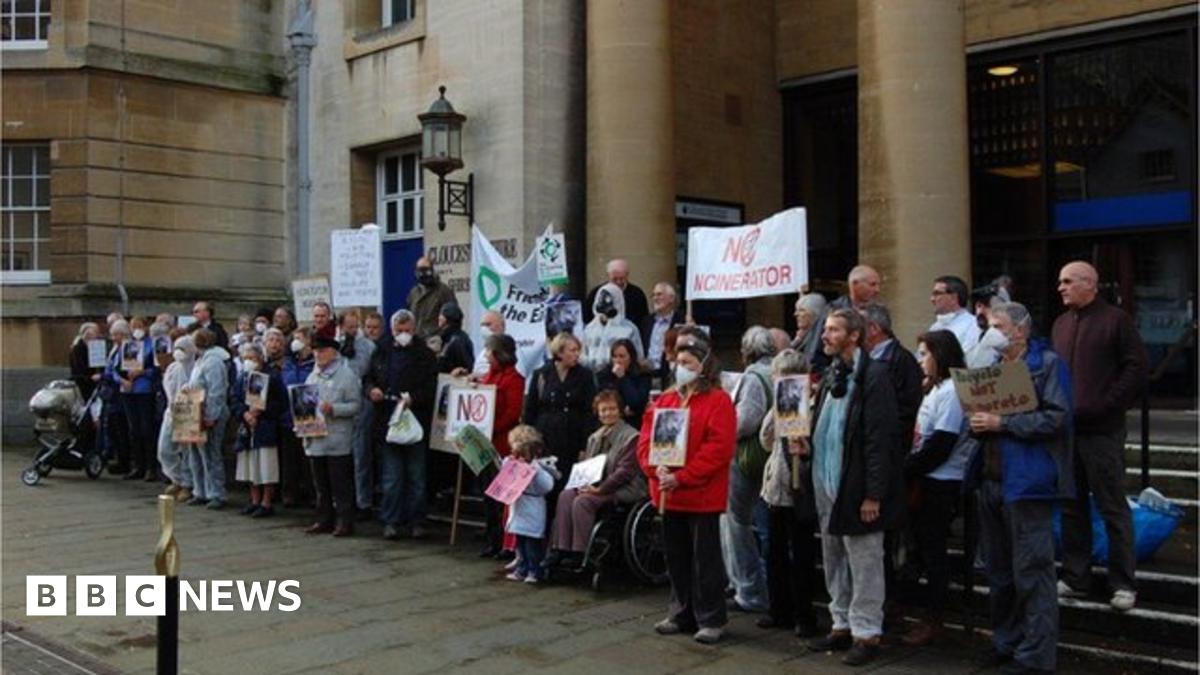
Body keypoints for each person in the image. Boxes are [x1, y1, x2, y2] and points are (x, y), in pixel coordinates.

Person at [963, 301, 1073, 674]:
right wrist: (977, 422)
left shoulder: (1046, 365)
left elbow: (1057, 418)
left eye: (997, 325)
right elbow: (978, 418)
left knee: (1033, 570)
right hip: (991, 480)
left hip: (1027, 482)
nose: (990, 331)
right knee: (999, 572)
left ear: (1020, 331)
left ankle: (1037, 656)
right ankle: (1006, 641)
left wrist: (1004, 423)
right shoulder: (993, 368)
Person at [806, 308, 901, 667]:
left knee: (864, 562)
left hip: (856, 485)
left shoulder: (874, 376)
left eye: (833, 330)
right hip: (826, 482)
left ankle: (867, 631)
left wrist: (873, 493)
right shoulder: (834, 373)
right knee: (834, 558)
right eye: (825, 329)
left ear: (854, 336)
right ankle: (841, 621)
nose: (825, 336)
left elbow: (880, 439)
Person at [1053, 261, 1148, 612]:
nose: (1060, 288)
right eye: (1059, 282)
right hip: (1068, 431)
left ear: (1089, 284)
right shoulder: (1061, 324)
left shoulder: (1115, 320)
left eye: (1067, 281)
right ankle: (1077, 577)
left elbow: (1136, 368)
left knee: (1112, 505)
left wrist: (1105, 405)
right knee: (1071, 505)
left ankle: (1123, 581)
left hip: (1102, 431)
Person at [639, 330, 736, 645]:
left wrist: (683, 477)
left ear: (703, 365)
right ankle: (681, 611)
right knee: (676, 557)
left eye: (687, 361)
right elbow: (645, 442)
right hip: (669, 494)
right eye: (678, 361)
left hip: (701, 495)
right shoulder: (665, 399)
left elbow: (718, 449)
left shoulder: (718, 400)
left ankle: (711, 617)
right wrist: (656, 471)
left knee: (705, 559)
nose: (680, 366)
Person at [900, 330, 971, 647]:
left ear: (940, 355)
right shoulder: (935, 389)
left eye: (925, 353)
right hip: (926, 478)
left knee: (933, 551)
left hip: (941, 481)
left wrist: (906, 469)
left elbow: (942, 443)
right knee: (921, 549)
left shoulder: (953, 391)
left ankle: (935, 617)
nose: (919, 360)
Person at [756, 348, 819, 638]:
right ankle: (778, 608)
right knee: (773, 551)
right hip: (775, 487)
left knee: (801, 554)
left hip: (800, 489)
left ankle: (804, 614)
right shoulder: (781, 402)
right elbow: (766, 439)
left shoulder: (813, 401)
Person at [546, 390, 646, 568]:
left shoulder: (632, 437)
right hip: (597, 486)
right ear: (598, 413)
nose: (608, 413)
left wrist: (600, 489)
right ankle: (560, 548)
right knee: (566, 495)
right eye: (604, 410)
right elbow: (587, 466)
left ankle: (580, 552)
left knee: (583, 501)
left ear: (620, 410)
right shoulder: (594, 437)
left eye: (612, 409)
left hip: (624, 488)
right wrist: (581, 484)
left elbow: (625, 472)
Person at [365, 310, 437, 540]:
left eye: (407, 331)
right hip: (388, 421)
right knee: (392, 477)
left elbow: (432, 387)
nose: (403, 335)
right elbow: (368, 379)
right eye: (399, 331)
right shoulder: (382, 351)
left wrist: (413, 399)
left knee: (416, 476)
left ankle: (417, 520)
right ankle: (391, 520)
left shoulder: (424, 354)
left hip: (415, 421)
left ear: (414, 330)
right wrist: (371, 391)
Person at [722, 326, 776, 614]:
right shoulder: (775, 371)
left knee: (739, 525)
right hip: (768, 459)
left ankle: (750, 590)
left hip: (747, 459)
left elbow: (744, 422)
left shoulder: (754, 377)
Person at [302, 325, 363, 537]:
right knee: (321, 485)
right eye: (315, 351)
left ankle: (345, 521)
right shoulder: (312, 376)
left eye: (322, 351)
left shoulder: (346, 375)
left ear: (333, 352)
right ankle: (324, 519)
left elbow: (356, 406)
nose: (318, 354)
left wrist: (334, 409)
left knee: (341, 484)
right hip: (316, 438)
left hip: (338, 439)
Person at [523, 332, 597, 495]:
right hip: (546, 437)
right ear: (560, 352)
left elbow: (588, 413)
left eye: (578, 350)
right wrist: (527, 442)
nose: (576, 354)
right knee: (546, 483)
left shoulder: (584, 375)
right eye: (572, 350)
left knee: (567, 484)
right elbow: (531, 409)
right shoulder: (541, 374)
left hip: (572, 437)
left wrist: (585, 446)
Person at [477, 334, 527, 557]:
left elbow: (512, 413)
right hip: (485, 445)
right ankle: (492, 539)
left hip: (501, 445)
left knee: (502, 498)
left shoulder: (514, 379)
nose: (486, 356)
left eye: (489, 351)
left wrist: (491, 427)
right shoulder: (490, 376)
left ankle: (504, 542)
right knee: (488, 495)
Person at [230, 342, 287, 518]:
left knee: (266, 465)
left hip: (266, 426)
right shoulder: (242, 378)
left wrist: (262, 411)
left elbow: (281, 402)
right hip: (247, 426)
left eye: (252, 358)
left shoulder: (272, 376)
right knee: (250, 465)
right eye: (246, 358)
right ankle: (254, 499)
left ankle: (266, 501)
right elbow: (234, 399)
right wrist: (244, 414)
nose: (249, 362)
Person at [105, 318, 159, 481]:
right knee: (133, 430)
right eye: (133, 327)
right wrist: (121, 380)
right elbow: (114, 369)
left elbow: (157, 368)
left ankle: (151, 466)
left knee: (146, 429)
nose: (136, 330)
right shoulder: (126, 346)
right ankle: (138, 465)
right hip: (127, 391)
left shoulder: (151, 344)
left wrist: (142, 373)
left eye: (139, 326)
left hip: (144, 390)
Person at [502, 425, 556, 584]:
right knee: (520, 543)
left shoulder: (539, 468)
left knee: (532, 545)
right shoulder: (511, 462)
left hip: (533, 507)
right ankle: (522, 568)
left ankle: (535, 569)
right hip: (519, 508)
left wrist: (534, 471)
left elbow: (547, 486)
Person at [183, 328, 231, 509]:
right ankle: (200, 490)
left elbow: (216, 390)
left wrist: (212, 415)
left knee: (211, 453)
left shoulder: (213, 361)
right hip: (196, 409)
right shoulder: (201, 360)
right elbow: (196, 383)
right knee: (196, 452)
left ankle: (216, 492)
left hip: (210, 411)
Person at [338, 309, 377, 519]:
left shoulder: (368, 347)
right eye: (349, 327)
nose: (352, 330)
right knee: (342, 456)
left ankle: (364, 501)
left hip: (362, 402)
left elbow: (369, 372)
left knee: (361, 454)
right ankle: (345, 499)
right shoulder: (336, 346)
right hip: (339, 403)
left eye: (355, 326)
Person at [159, 335, 197, 502]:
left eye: (183, 349)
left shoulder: (196, 367)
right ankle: (176, 478)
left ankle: (188, 484)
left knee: (187, 451)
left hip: (188, 410)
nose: (179, 352)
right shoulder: (172, 368)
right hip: (171, 410)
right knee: (164, 448)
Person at [280, 326, 315, 507]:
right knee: (290, 457)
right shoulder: (288, 362)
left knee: (306, 457)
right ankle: (289, 492)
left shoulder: (313, 363)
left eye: (300, 338)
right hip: (289, 414)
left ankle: (311, 492)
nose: (296, 341)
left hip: (307, 413)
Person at [583, 282, 644, 371]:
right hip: (593, 377)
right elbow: (584, 353)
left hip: (619, 377)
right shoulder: (589, 329)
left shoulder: (629, 329)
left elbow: (638, 357)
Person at [596, 339, 651, 428]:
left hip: (633, 424)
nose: (618, 360)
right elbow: (604, 398)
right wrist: (622, 409)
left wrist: (623, 378)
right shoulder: (604, 375)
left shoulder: (642, 375)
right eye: (615, 356)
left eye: (622, 356)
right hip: (610, 421)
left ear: (631, 357)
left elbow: (636, 402)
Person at [584, 258, 650, 328]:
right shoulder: (596, 292)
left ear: (627, 275)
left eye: (622, 278)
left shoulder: (637, 294)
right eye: (615, 279)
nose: (619, 282)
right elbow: (587, 318)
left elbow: (644, 321)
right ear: (608, 276)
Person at [640, 282, 685, 378]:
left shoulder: (682, 321)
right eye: (654, 295)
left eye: (659, 294)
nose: (655, 298)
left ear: (671, 298)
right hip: (647, 374)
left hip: (670, 374)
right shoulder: (646, 321)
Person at [407, 257, 457, 339]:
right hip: (417, 340)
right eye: (420, 271)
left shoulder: (443, 291)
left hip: (436, 340)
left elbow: (453, 317)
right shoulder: (414, 293)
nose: (423, 274)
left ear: (432, 271)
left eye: (426, 270)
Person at [929, 275, 981, 352]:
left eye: (937, 294)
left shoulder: (973, 325)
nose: (932, 299)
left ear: (953, 298)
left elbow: (966, 358)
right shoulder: (934, 327)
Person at [792, 292, 829, 371]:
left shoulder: (822, 337)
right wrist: (797, 340)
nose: (796, 314)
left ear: (815, 313)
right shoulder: (802, 337)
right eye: (797, 310)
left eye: (801, 310)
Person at [465, 310, 506, 379]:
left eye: (488, 324)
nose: (484, 328)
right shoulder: (484, 350)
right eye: (482, 325)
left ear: (502, 326)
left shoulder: (508, 350)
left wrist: (480, 377)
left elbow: (505, 377)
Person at [435, 303, 474, 374]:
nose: (439, 317)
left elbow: (465, 366)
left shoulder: (456, 340)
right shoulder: (447, 337)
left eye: (442, 314)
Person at [69, 322, 104, 401]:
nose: (98, 336)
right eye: (96, 334)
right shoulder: (77, 348)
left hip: (95, 380)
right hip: (83, 382)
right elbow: (79, 368)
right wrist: (89, 377)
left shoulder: (96, 346)